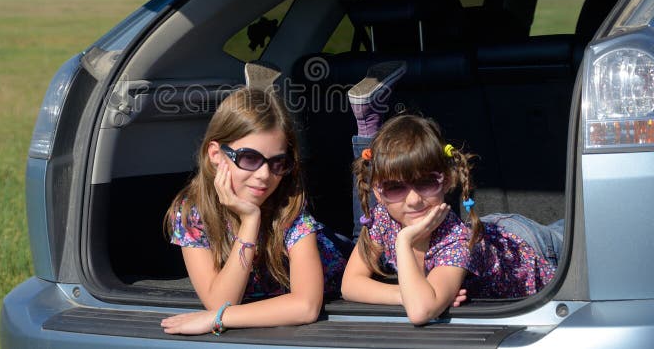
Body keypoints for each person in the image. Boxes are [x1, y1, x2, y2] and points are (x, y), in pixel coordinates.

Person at [341, 73, 562, 325]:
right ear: (378, 192)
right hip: (491, 231)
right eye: (395, 187)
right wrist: (406, 294)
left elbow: (421, 311)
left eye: (425, 182)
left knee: (585, 232)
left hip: (531, 244)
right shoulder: (383, 218)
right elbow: (350, 285)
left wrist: (403, 241)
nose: (413, 200)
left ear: (446, 180)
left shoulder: (457, 240)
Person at [161, 86, 347, 336]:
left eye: (278, 162)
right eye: (249, 158)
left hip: (341, 265)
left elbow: (306, 306)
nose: (264, 175)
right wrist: (250, 221)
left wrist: (218, 319)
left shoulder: (289, 206)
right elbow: (218, 301)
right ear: (216, 154)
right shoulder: (193, 212)